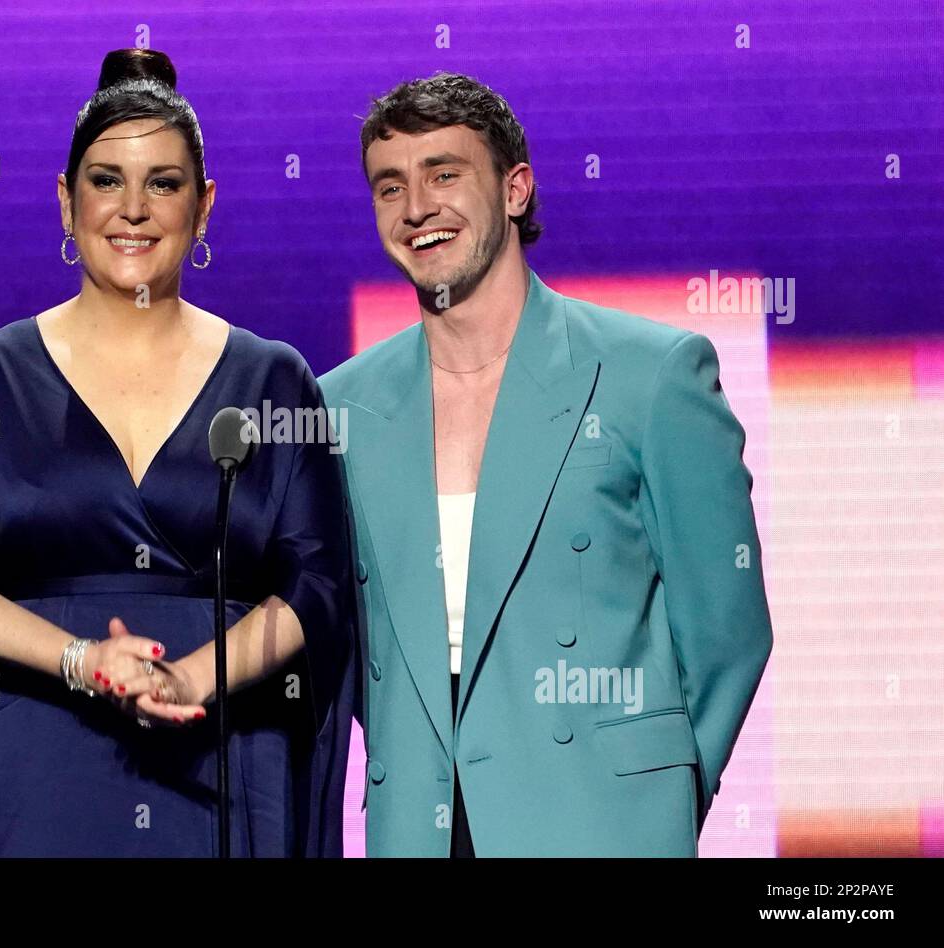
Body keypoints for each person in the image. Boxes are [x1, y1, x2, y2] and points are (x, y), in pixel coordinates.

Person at [0, 48, 355, 857]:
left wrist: (192, 678)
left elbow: (318, 587)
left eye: (165, 183)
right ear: (66, 203)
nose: (134, 209)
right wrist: (82, 661)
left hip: (221, 764)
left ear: (205, 206)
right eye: (107, 180)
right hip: (25, 767)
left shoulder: (276, 379)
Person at [319, 72, 773, 856]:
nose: (417, 207)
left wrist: (657, 794)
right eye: (390, 187)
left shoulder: (649, 375)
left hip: (597, 821)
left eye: (445, 174)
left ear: (516, 188)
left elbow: (727, 631)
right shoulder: (338, 408)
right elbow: (357, 652)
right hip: (419, 827)